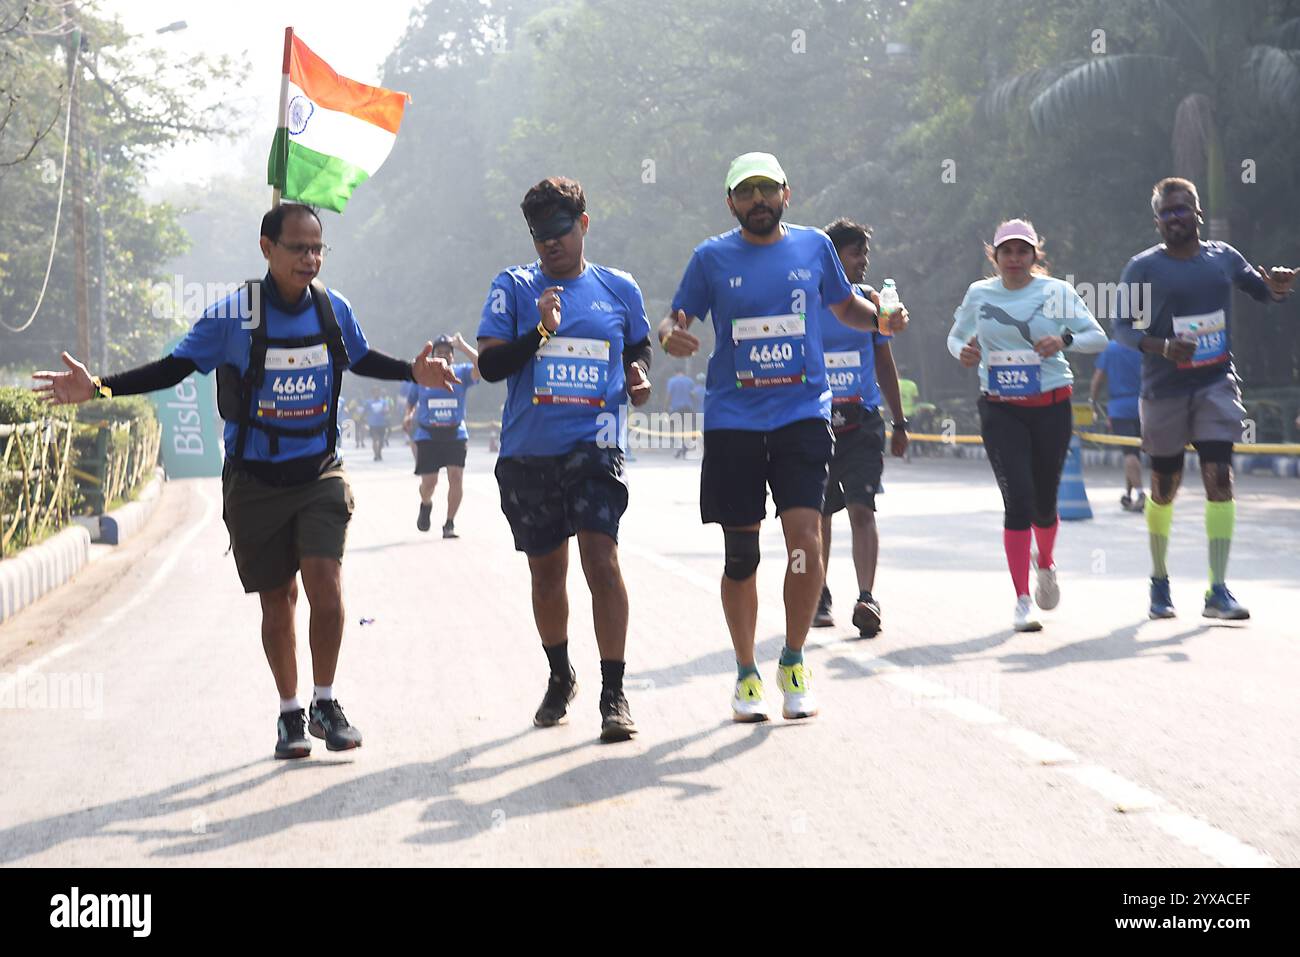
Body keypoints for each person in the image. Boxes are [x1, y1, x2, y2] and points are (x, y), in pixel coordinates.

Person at [33, 203, 459, 758]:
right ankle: (290, 715)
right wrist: (99, 389)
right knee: (278, 599)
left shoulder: (333, 311)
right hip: (254, 480)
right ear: (267, 247)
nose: (309, 259)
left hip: (319, 471)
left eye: (317, 248)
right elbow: (174, 367)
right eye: (298, 248)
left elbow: (359, 357)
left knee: (325, 586)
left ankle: (326, 702)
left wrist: (411, 371)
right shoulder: (232, 316)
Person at [660, 152, 906, 722]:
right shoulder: (711, 257)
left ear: (786, 195)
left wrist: (881, 321)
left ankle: (793, 659)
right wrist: (670, 335)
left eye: (767, 190)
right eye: (745, 193)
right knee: (741, 553)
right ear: (730, 203)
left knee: (805, 540)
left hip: (801, 415)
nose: (757, 201)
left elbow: (845, 306)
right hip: (733, 421)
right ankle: (746, 672)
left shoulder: (815, 246)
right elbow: (676, 320)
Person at [476, 176, 652, 743]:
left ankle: (614, 692)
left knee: (601, 561)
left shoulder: (619, 288)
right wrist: (540, 331)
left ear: (584, 224)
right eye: (539, 235)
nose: (550, 244)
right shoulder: (512, 287)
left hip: (595, 445)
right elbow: (490, 366)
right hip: (529, 454)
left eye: (559, 231)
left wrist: (637, 371)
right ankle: (560, 674)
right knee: (547, 575)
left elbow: (636, 344)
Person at [1114, 177, 1296, 620]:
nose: (1176, 218)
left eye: (1183, 209)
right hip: (1164, 389)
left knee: (1220, 478)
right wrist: (1162, 347)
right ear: (1157, 221)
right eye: (1167, 212)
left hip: (1215, 382)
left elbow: (1263, 291)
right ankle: (1160, 583)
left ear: (1197, 212)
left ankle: (1218, 589)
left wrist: (1279, 286)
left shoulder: (1223, 257)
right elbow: (1122, 329)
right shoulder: (1143, 268)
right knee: (1164, 488)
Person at [946, 219, 1106, 632]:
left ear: (1036, 255)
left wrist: (1063, 341)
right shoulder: (980, 295)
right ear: (994, 256)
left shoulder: (1056, 293)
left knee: (1044, 499)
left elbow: (1097, 337)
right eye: (1007, 252)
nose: (1015, 259)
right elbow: (956, 336)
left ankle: (1046, 562)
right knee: (1017, 498)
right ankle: (1021, 600)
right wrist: (962, 352)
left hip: (1051, 404)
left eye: (1023, 251)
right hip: (1000, 408)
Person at [812, 219, 908, 638]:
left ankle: (866, 596)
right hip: (814, 423)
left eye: (865, 253)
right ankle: (818, 593)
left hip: (862, 421)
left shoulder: (870, 303)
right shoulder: (808, 302)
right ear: (834, 258)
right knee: (819, 514)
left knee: (862, 509)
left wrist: (900, 421)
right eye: (856, 254)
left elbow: (885, 364)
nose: (864, 262)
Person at [405, 333, 480, 536]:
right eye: (440, 352)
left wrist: (463, 346)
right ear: (433, 356)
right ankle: (426, 503)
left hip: (455, 434)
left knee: (456, 478)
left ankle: (449, 523)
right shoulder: (422, 375)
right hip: (428, 436)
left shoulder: (462, 374)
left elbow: (481, 367)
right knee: (429, 483)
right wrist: (408, 415)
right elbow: (411, 400)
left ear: (453, 357)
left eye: (448, 353)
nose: (444, 356)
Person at [1090, 338, 1146, 511]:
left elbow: (1098, 378)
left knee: (1128, 453)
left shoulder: (1110, 349)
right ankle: (1128, 495)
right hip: (1143, 405)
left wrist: (1093, 401)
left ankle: (1141, 493)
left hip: (1120, 408)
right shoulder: (1144, 345)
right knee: (1134, 451)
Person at [665, 366, 695, 458]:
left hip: (675, 409)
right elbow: (692, 395)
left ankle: (678, 448)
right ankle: (685, 448)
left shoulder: (672, 381)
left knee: (676, 429)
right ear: (683, 372)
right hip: (687, 408)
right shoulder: (690, 381)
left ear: (675, 372)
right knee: (687, 429)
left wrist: (665, 407)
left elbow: (669, 395)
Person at [365, 386, 391, 460]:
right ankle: (376, 455)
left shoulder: (384, 402)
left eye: (378, 392)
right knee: (375, 439)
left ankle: (379, 452)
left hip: (382, 423)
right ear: (372, 393)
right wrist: (364, 421)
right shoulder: (369, 402)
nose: (376, 394)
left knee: (381, 441)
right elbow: (366, 411)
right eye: (375, 392)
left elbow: (387, 410)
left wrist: (385, 411)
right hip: (373, 424)